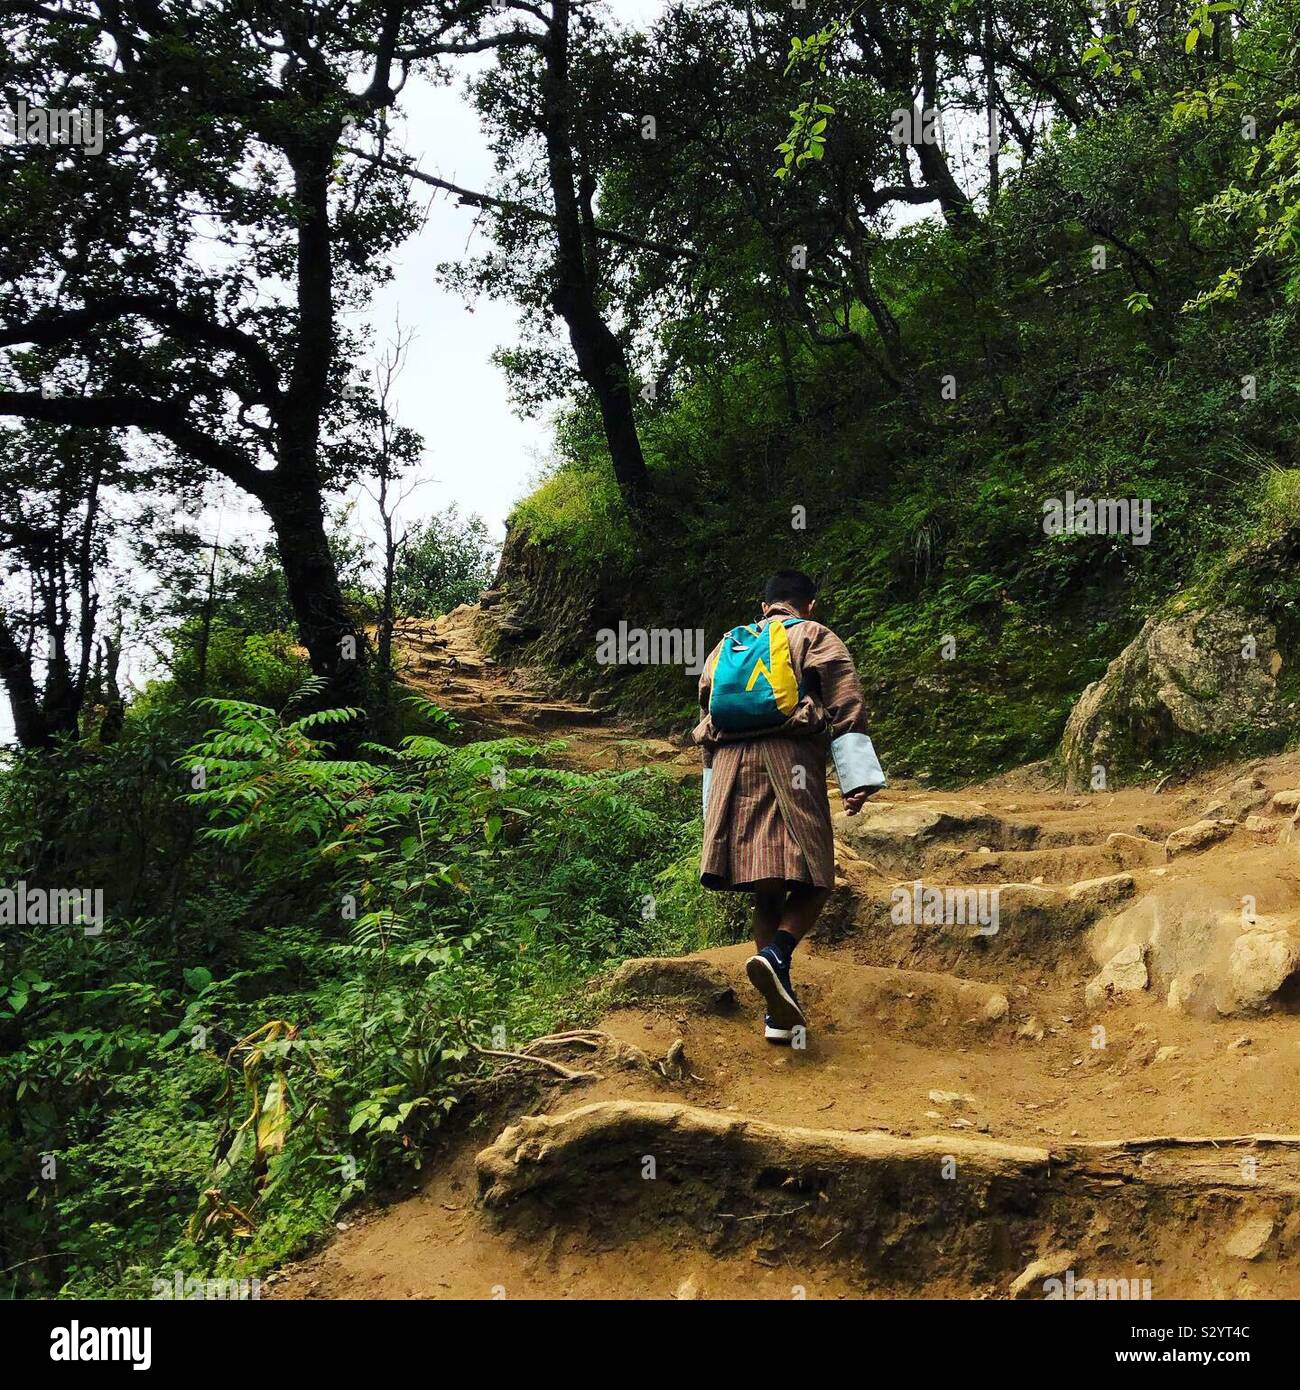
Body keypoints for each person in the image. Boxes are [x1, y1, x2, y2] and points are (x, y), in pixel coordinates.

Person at [694, 570, 885, 1043]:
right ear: (809, 606)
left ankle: (778, 1016)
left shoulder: (726, 648)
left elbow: (706, 716)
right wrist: (856, 779)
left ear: (764, 607)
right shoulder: (815, 635)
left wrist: (710, 798)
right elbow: (846, 704)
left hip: (732, 769)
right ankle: (778, 953)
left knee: (767, 884)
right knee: (818, 873)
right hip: (789, 761)